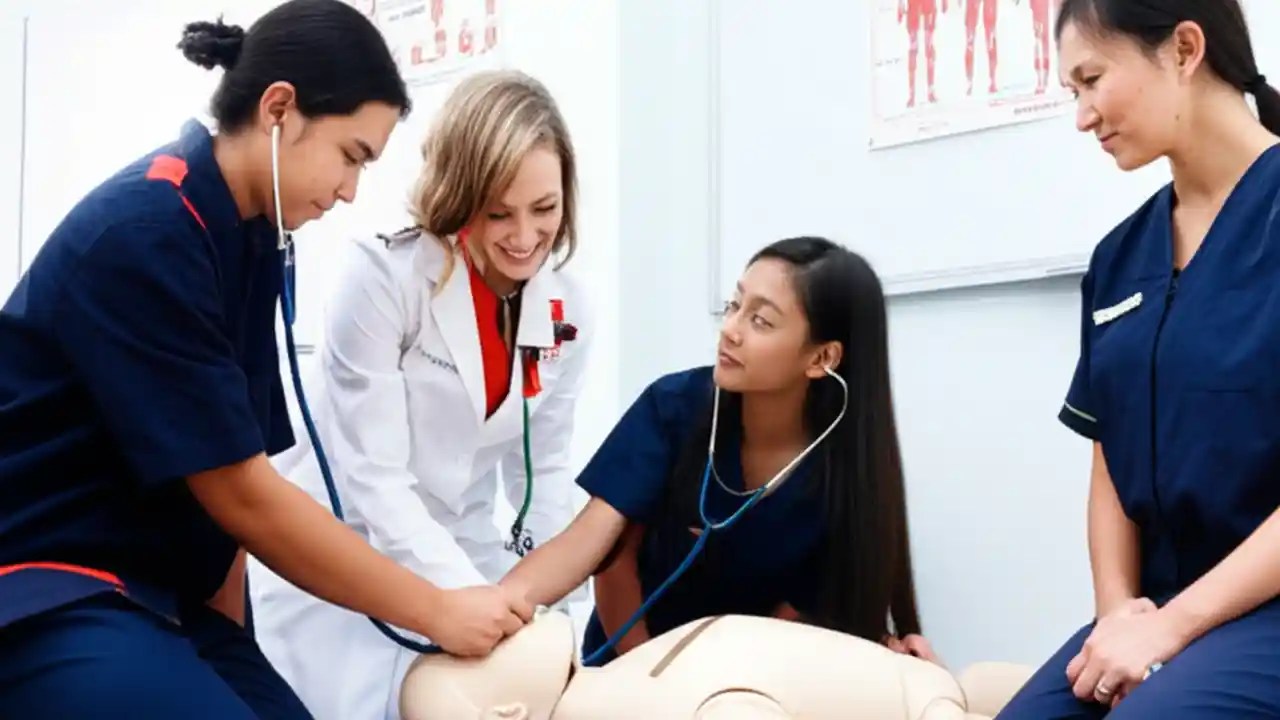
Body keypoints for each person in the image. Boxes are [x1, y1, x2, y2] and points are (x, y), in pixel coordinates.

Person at [0, 3, 532, 718]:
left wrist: (228, 646)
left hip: (163, 595)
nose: (350, 191)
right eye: (352, 156)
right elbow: (242, 493)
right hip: (52, 583)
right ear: (279, 107)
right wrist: (435, 610)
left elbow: (233, 476)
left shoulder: (249, 235)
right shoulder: (149, 231)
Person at [247, 69, 589, 720]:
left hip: (464, 548)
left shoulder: (569, 308)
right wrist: (465, 603)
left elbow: (540, 473)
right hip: (348, 560)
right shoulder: (383, 278)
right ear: (460, 195)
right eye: (499, 213)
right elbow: (374, 481)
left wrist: (548, 613)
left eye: (544, 210)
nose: (524, 238)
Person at [995, 0, 1280, 717]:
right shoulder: (1120, 259)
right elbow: (1110, 460)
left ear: (1184, 49)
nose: (1083, 116)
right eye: (1072, 91)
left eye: (1092, 79)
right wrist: (1118, 614)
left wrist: (1170, 628)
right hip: (1160, 604)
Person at [500, 236, 938, 667]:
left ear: (822, 357)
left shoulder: (842, 476)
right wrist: (497, 604)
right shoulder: (672, 407)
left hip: (742, 681)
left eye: (761, 321)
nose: (730, 329)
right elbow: (602, 553)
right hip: (626, 663)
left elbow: (794, 625)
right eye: (735, 306)